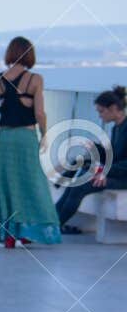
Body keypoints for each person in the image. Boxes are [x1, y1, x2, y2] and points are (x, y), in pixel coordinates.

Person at [0, 36, 61, 247]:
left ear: (10, 53)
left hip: (4, 138)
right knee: (31, 185)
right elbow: (40, 113)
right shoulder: (35, 79)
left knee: (7, 188)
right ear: (29, 54)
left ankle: (9, 235)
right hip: (26, 138)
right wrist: (45, 134)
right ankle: (27, 232)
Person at [54, 85, 127, 232]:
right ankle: (53, 222)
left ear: (113, 108)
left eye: (101, 111)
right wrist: (95, 147)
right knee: (76, 182)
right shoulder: (117, 128)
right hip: (115, 172)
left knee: (79, 188)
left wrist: (105, 172)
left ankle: (53, 227)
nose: (100, 116)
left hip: (123, 177)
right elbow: (114, 155)